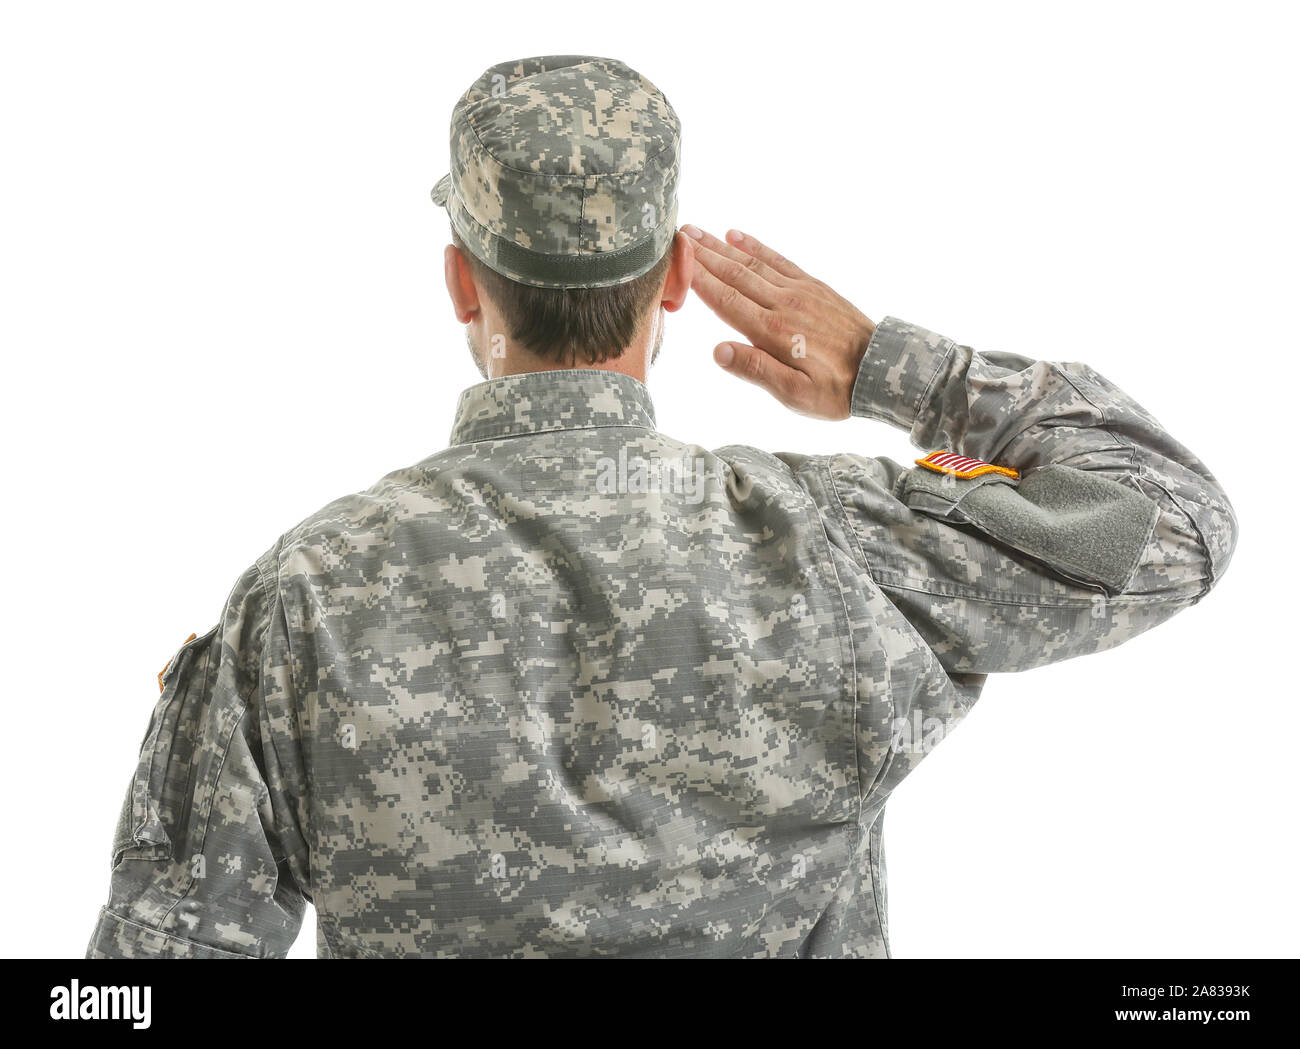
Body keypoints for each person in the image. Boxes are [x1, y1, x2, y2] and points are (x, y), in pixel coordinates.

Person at [88, 55, 1236, 959]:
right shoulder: (835, 543)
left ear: (459, 281)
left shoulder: (303, 599)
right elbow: (1169, 516)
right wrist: (896, 369)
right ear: (676, 277)